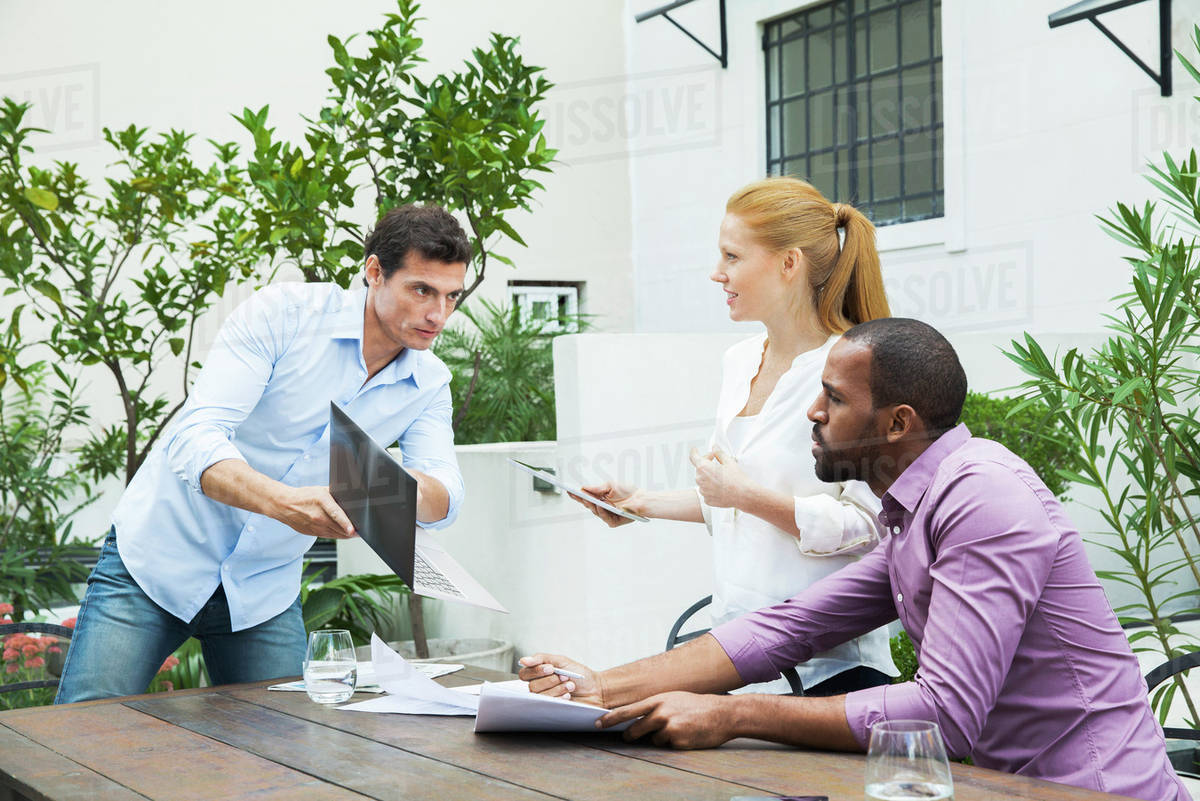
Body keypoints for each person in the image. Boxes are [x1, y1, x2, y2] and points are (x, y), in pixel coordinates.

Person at [520, 317, 1187, 801]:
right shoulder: (916, 508)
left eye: (834, 398)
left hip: (1091, 789)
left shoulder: (984, 499)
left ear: (897, 423)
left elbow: (944, 714)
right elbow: (789, 627)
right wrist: (601, 686)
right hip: (1004, 785)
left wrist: (735, 712)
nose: (813, 410)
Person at [55, 204, 469, 703]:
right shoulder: (284, 315)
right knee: (83, 734)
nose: (437, 315)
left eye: (451, 296)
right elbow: (196, 435)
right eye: (422, 290)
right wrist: (282, 503)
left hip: (261, 592)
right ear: (374, 271)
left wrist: (387, 489)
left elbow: (445, 493)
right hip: (156, 564)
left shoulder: (429, 382)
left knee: (283, 760)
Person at [575, 176, 895, 695]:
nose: (716, 273)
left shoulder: (858, 368)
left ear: (789, 264)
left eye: (732, 256)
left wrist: (744, 494)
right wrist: (641, 503)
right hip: (737, 659)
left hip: (829, 673)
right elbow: (730, 503)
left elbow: (869, 527)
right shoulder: (740, 360)